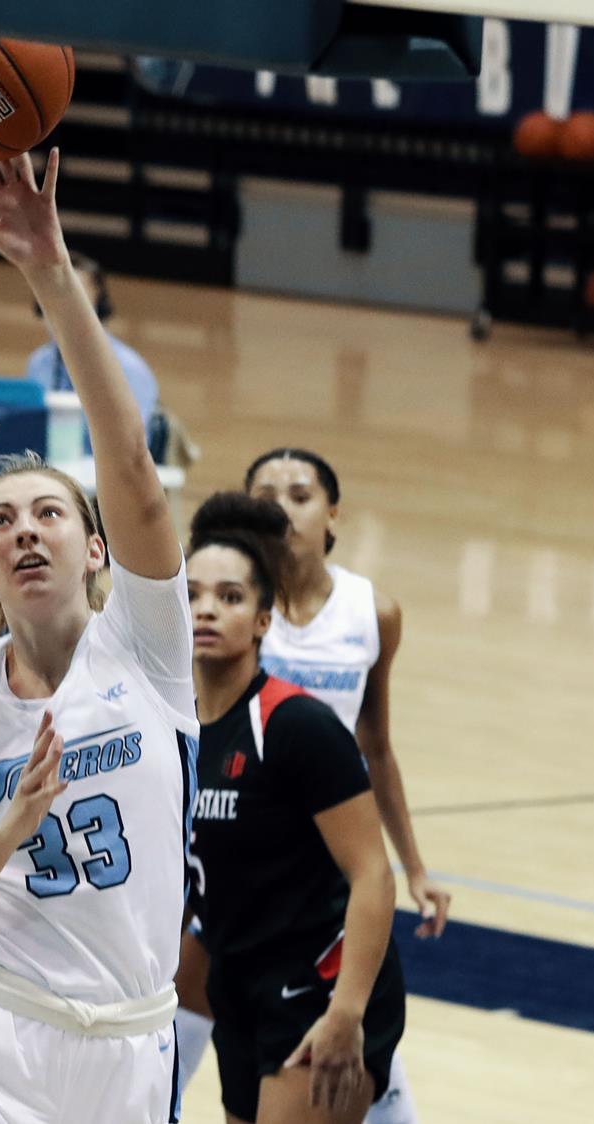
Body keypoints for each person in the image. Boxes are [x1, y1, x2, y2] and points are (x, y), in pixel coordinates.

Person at [0, 151, 196, 1124]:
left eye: (48, 513)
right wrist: (2, 831)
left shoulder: (146, 648)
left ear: (96, 548)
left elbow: (130, 463)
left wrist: (51, 272)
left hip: (132, 1052)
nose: (23, 530)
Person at [182, 447, 442, 1123]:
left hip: (321, 971)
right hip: (241, 967)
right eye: (192, 595)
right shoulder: (177, 726)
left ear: (262, 620)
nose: (206, 611)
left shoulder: (300, 721)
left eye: (229, 597)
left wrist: (347, 1013)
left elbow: (371, 869)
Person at [22, 251, 165, 459]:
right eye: (50, 299)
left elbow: (131, 451)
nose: (60, 311)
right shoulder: (38, 362)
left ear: (98, 305)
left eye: (74, 301)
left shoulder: (128, 369)